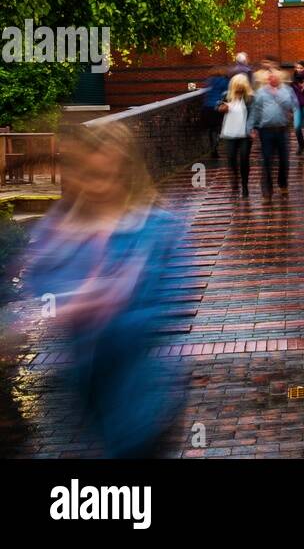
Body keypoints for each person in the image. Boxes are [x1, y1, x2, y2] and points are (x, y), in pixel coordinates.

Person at [21, 123, 186, 458]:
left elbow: (161, 312)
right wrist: (71, 304)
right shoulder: (60, 229)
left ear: (127, 173)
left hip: (143, 404)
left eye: (108, 176)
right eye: (89, 175)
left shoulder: (159, 229)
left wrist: (103, 309)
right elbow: (38, 288)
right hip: (84, 401)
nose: (98, 188)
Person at [248, 69, 296, 201]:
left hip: (282, 129)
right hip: (266, 131)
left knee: (284, 160)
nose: (272, 79)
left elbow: (292, 105)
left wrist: (278, 96)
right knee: (266, 160)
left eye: (274, 77)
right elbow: (255, 110)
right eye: (270, 77)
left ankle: (283, 184)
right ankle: (267, 191)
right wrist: (252, 127)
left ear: (279, 79)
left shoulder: (287, 91)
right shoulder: (261, 92)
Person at [219, 73, 254, 196]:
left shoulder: (249, 98)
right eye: (237, 86)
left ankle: (245, 186)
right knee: (231, 159)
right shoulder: (226, 96)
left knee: (244, 159)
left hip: (245, 134)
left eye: (241, 86)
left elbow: (254, 114)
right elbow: (218, 107)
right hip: (229, 133)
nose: (239, 88)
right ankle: (234, 181)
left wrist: (254, 129)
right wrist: (222, 108)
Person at [202, 66, 230, 159]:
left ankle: (212, 147)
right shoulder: (224, 81)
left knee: (210, 129)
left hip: (207, 107)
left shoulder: (209, 80)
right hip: (217, 107)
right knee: (218, 128)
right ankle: (215, 147)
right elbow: (226, 94)